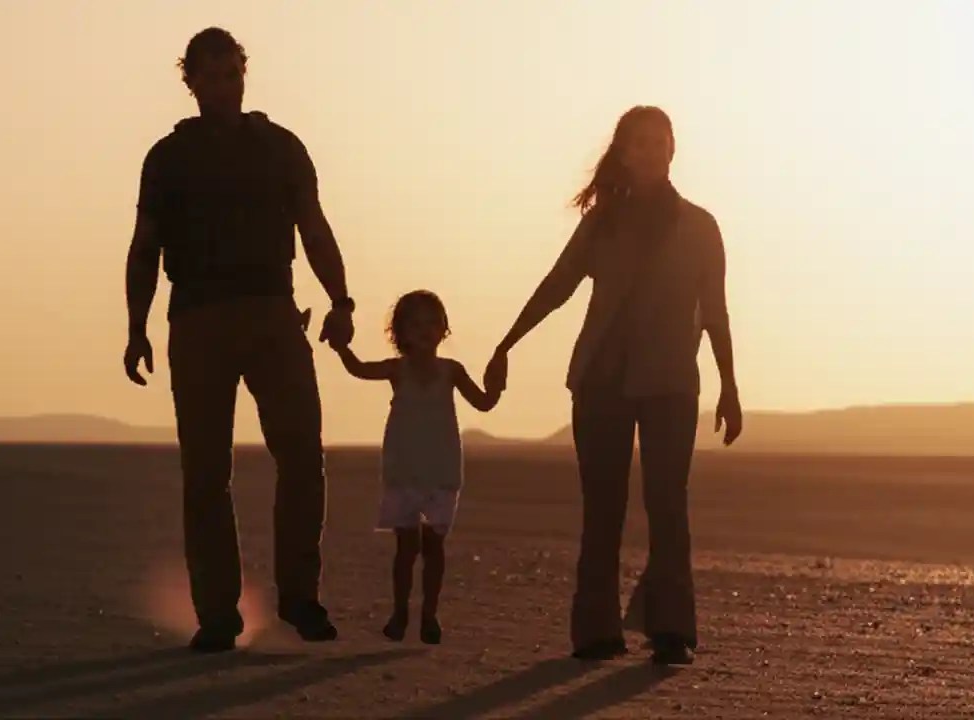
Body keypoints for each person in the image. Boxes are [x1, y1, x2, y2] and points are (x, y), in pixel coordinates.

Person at [122, 27, 356, 652]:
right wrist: (135, 325)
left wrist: (340, 299)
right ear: (190, 81)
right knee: (205, 472)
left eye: (233, 74)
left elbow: (314, 227)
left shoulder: (280, 148)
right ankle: (218, 613)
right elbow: (144, 248)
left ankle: (301, 597)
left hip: (274, 311)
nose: (224, 87)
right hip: (197, 318)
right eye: (211, 75)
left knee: (303, 454)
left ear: (244, 75)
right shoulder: (168, 159)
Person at [484, 106, 743, 666]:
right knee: (603, 506)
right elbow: (558, 283)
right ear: (624, 153)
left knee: (668, 504)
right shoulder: (602, 222)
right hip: (602, 378)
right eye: (638, 143)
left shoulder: (700, 226)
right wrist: (508, 343)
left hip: (672, 381)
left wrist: (730, 385)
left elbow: (716, 311)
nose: (649, 151)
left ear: (673, 149)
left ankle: (671, 630)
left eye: (658, 141)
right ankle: (596, 632)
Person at [329, 290, 501, 645]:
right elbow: (359, 369)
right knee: (406, 547)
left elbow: (483, 402)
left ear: (443, 330)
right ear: (400, 332)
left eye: (432, 323)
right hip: (404, 466)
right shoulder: (398, 369)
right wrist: (340, 346)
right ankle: (401, 612)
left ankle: (429, 615)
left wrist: (497, 384)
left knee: (434, 545)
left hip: (441, 468)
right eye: (415, 324)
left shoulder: (451, 371)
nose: (424, 331)